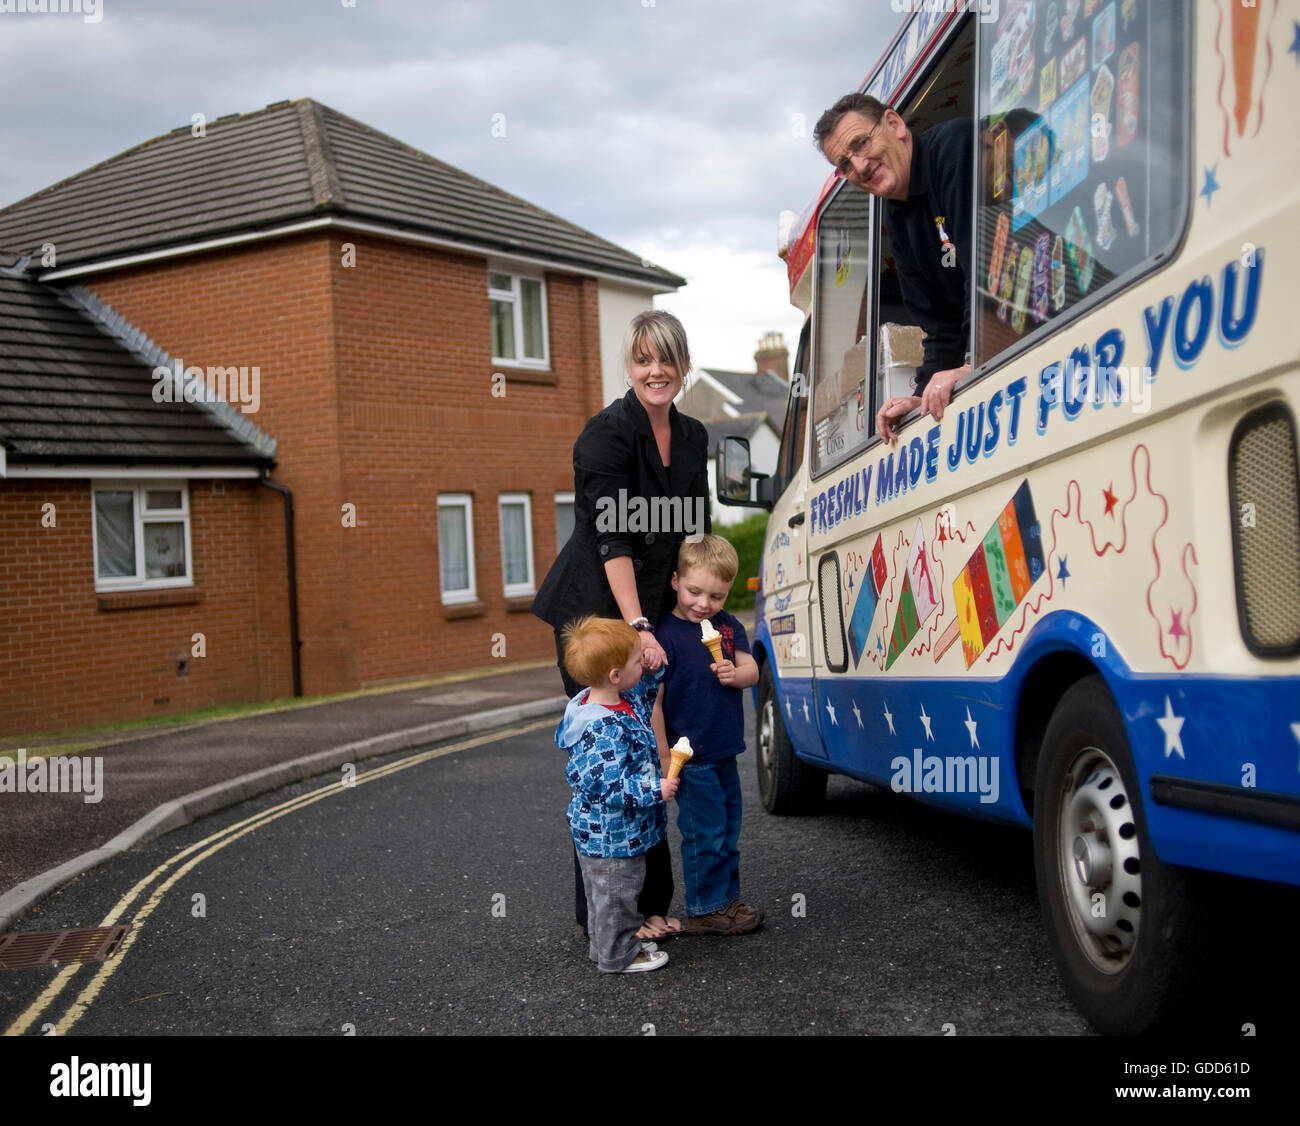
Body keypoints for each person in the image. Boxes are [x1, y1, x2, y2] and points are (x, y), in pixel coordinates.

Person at [532, 309, 710, 942]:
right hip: (596, 614)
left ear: (684, 366)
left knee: (657, 756)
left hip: (652, 614)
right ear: (630, 366)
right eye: (643, 359)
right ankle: (606, 921)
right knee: (614, 762)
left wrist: (701, 611)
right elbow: (614, 542)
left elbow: (694, 533)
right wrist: (637, 626)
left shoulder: (692, 437)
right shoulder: (605, 436)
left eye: (666, 358)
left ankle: (652, 905)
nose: (655, 370)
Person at [814, 92, 973, 443]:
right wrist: (919, 396)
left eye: (861, 143)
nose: (858, 165)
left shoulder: (955, 150)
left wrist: (971, 366)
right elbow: (941, 327)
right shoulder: (897, 217)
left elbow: (996, 281)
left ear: (895, 125)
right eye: (844, 164)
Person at [651, 535, 762, 935]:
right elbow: (655, 704)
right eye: (695, 591)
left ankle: (726, 900)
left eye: (716, 596)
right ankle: (705, 907)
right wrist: (666, 760)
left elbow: (753, 670)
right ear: (676, 580)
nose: (704, 604)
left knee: (728, 831)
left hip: (724, 750)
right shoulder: (664, 633)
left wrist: (737, 675)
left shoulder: (728, 626)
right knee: (704, 835)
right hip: (691, 760)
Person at [556, 616, 680, 973]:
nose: (642, 663)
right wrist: (655, 788)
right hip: (611, 835)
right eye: (636, 661)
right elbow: (608, 785)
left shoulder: (615, 700)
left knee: (605, 897)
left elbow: (643, 694)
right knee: (617, 898)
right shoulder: (601, 727)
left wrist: (652, 670)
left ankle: (604, 947)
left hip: (613, 832)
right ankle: (618, 956)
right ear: (614, 675)